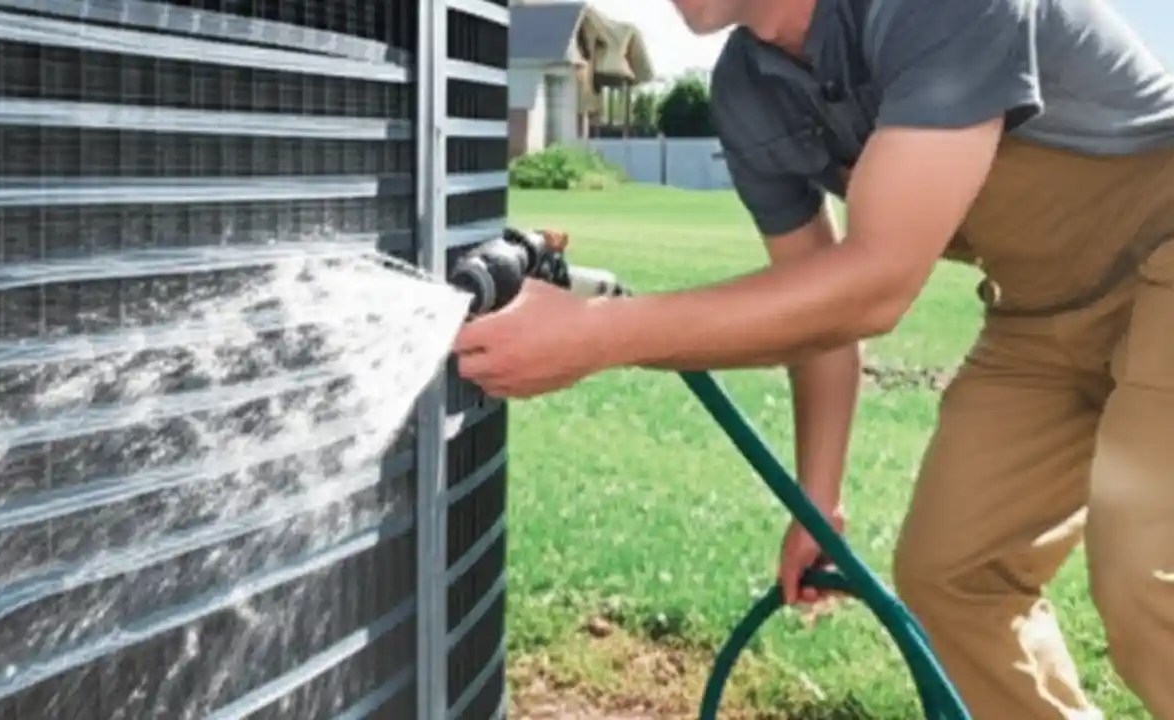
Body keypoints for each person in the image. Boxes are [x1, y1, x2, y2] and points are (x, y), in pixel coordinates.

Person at [453, 0, 1174, 716]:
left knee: (1148, 580)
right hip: (1040, 314)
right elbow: (817, 315)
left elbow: (877, 283)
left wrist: (598, 335)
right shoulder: (749, 91)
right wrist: (818, 505)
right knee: (950, 577)